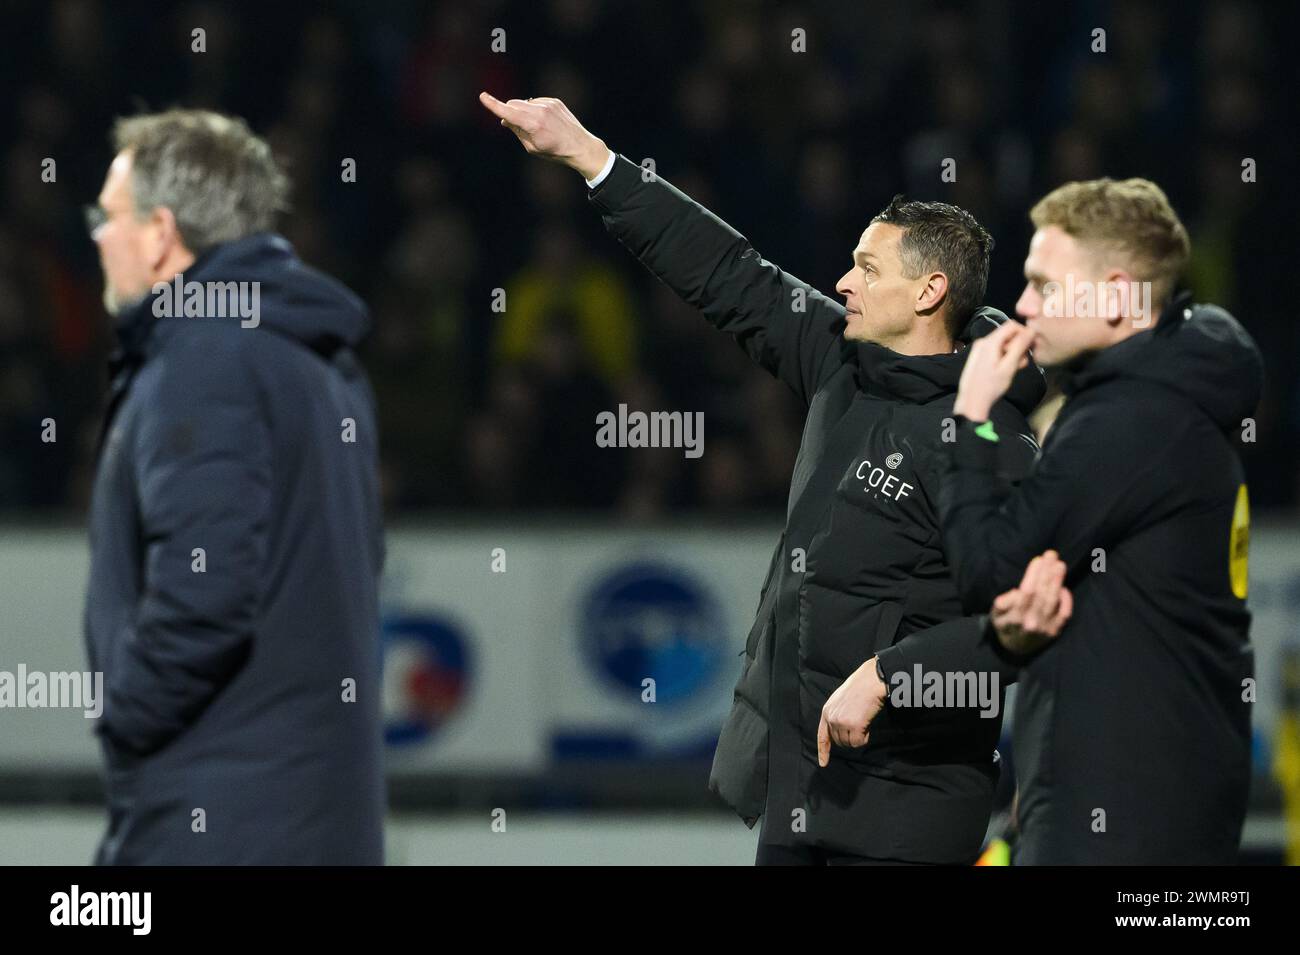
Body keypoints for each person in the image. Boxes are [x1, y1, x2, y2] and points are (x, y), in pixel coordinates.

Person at [480, 92, 1065, 864]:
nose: (843, 281)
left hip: (908, 813)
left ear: (928, 293)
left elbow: (1022, 624)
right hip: (801, 791)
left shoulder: (988, 431)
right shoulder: (842, 360)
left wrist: (893, 675)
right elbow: (731, 274)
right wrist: (592, 156)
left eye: (866, 266)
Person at [83, 109, 385, 864]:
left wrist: (124, 716)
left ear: (159, 233)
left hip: (221, 824)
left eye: (107, 215)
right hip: (316, 823)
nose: (96, 235)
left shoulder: (205, 359)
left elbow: (203, 594)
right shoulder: (323, 364)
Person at [942, 177, 1262, 863]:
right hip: (1163, 801)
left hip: (1118, 819)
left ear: (1116, 294)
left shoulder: (1127, 418)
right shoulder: (1179, 394)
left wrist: (974, 419)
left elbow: (987, 570)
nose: (1022, 305)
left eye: (1044, 285)